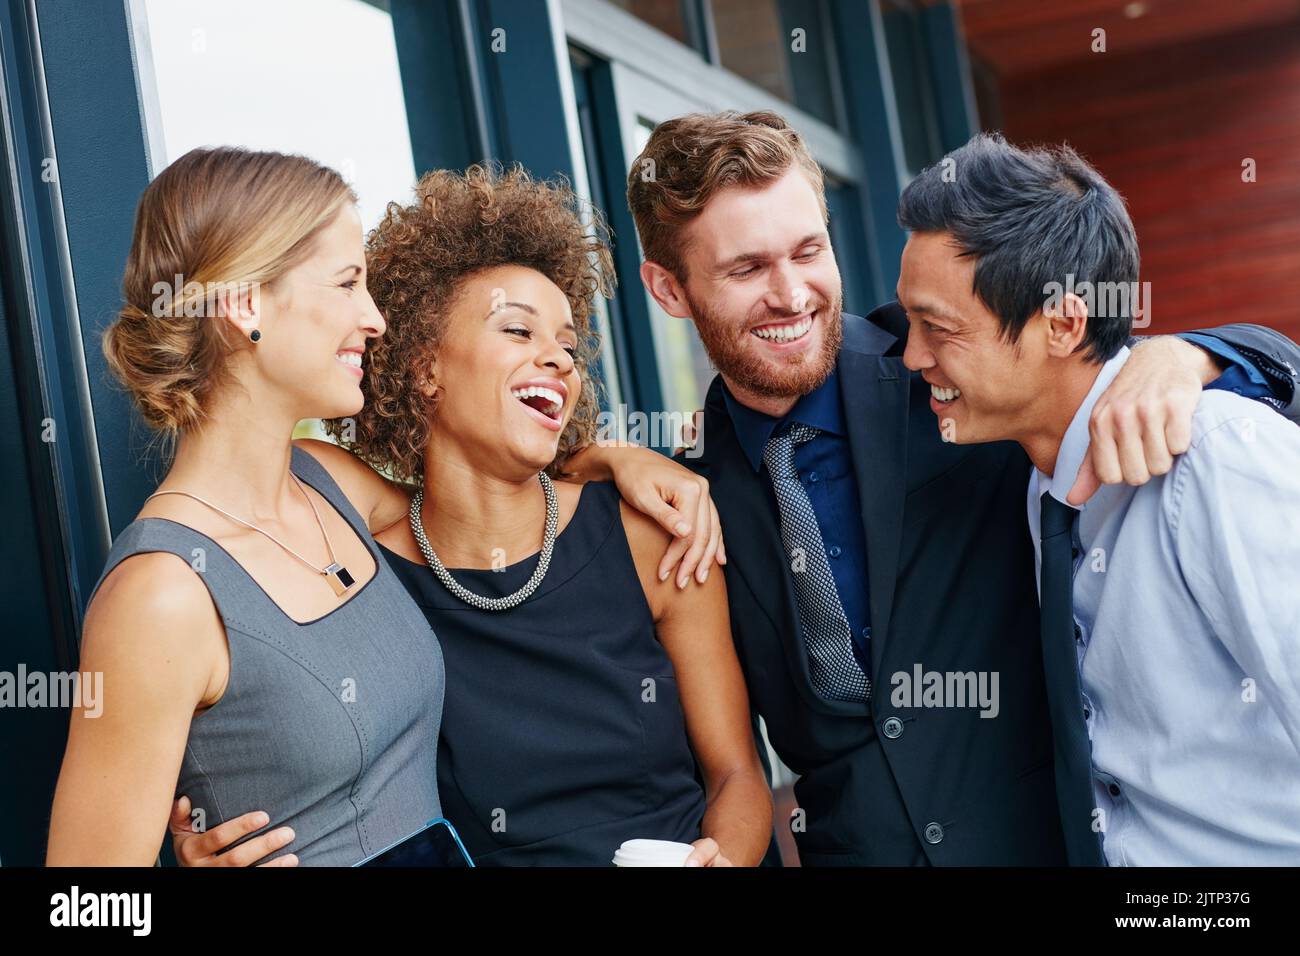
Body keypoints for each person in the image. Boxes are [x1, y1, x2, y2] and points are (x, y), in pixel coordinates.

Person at [626, 110, 1300, 865]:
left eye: (809, 250)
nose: (791, 294)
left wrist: (1192, 354)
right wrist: (602, 456)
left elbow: (1096, 361)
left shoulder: (955, 374)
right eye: (747, 269)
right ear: (668, 290)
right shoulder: (680, 495)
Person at [46, 148, 727, 867]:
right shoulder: (160, 597)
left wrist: (618, 458)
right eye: (346, 284)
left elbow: (489, 483)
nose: (374, 321)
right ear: (245, 305)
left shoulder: (331, 485)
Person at [896, 132, 1300, 865]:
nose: (914, 356)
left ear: (1062, 324)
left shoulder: (1214, 457)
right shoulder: (1040, 485)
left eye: (939, 329)